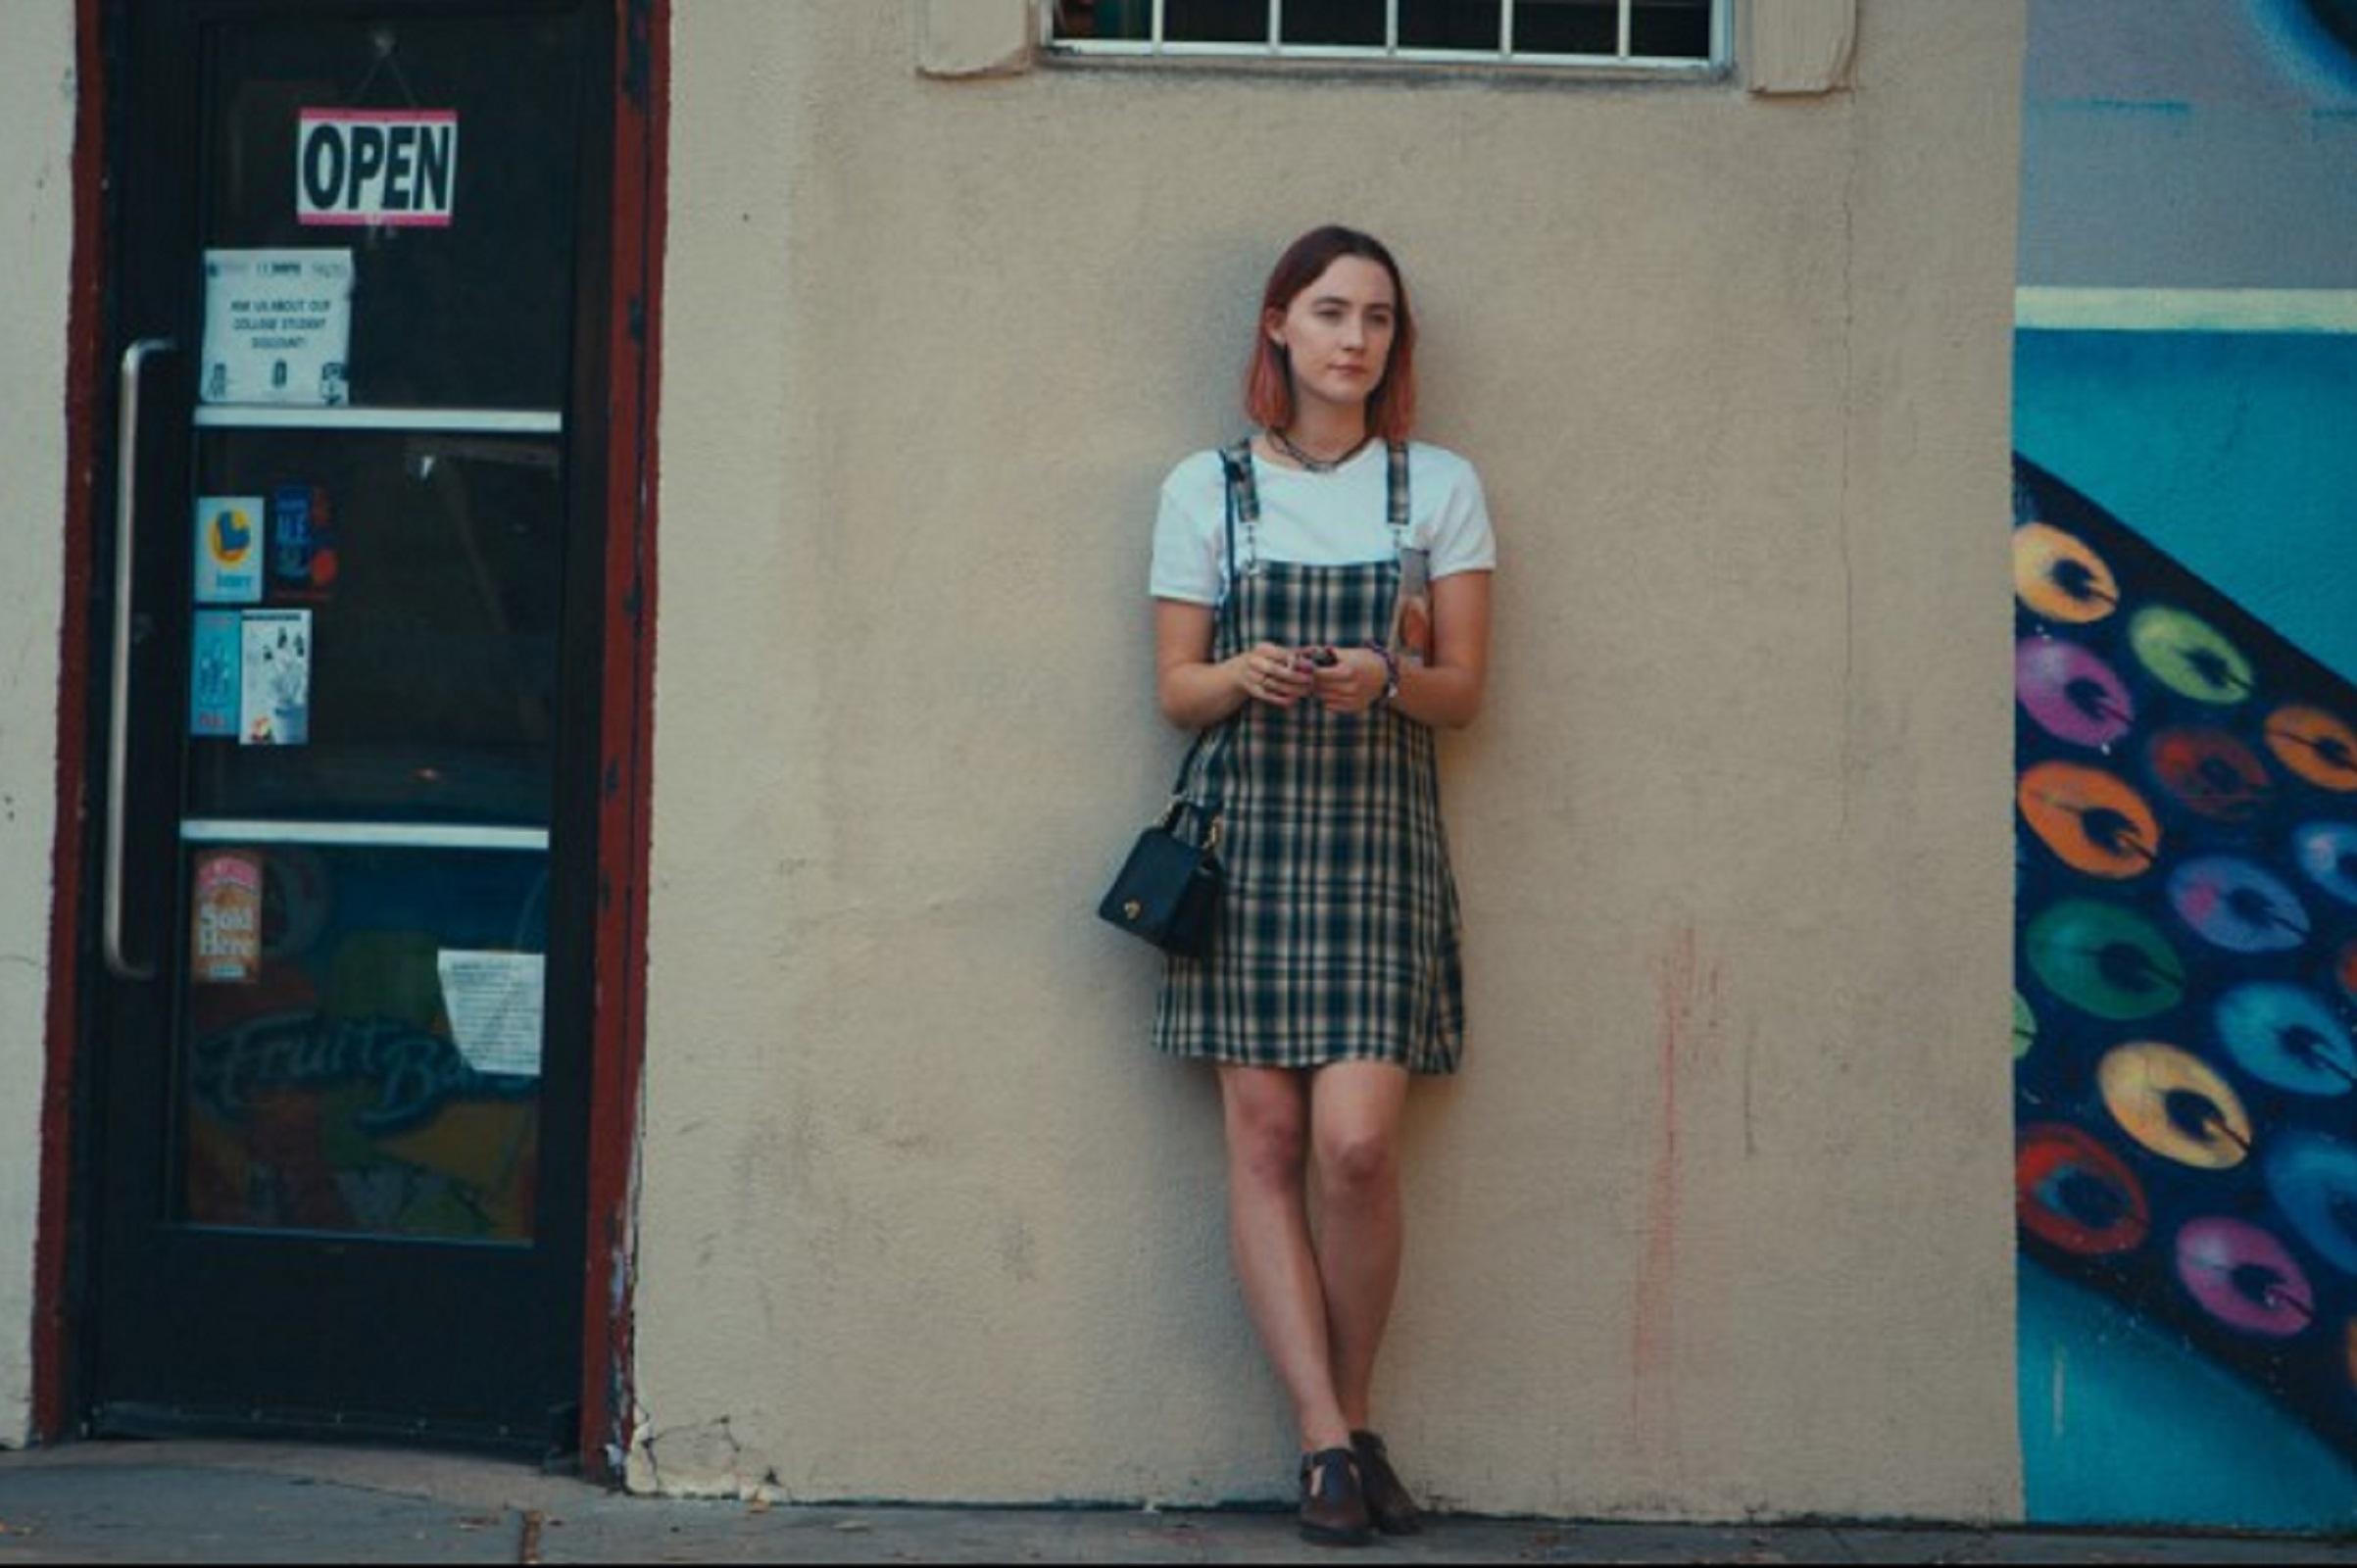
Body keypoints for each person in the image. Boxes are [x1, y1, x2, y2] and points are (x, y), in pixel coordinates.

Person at [1146, 225, 1496, 1546]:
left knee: (1354, 1148)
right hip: (1249, 845)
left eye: (1379, 320)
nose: (1356, 339)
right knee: (1267, 1144)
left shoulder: (1439, 487)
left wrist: (1385, 677)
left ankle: (1349, 1421)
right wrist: (1250, 672)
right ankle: (1323, 1448)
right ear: (1278, 328)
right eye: (1331, 312)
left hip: (1377, 847)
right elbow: (1174, 686)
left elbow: (1465, 695)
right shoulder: (1206, 488)